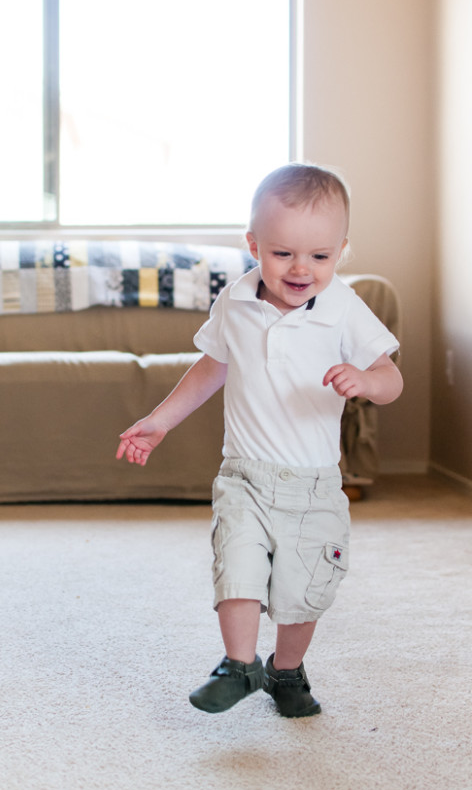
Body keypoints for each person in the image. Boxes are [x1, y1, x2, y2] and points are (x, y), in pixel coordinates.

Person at [116, 163, 403, 718]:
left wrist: (366, 381)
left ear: (341, 251)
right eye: (283, 254)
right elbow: (211, 368)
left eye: (320, 256)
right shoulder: (237, 300)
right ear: (253, 245)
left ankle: (286, 669)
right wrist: (160, 420)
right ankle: (238, 665)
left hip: (314, 486)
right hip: (244, 474)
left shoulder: (345, 307)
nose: (301, 269)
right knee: (237, 570)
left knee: (303, 593)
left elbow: (391, 378)